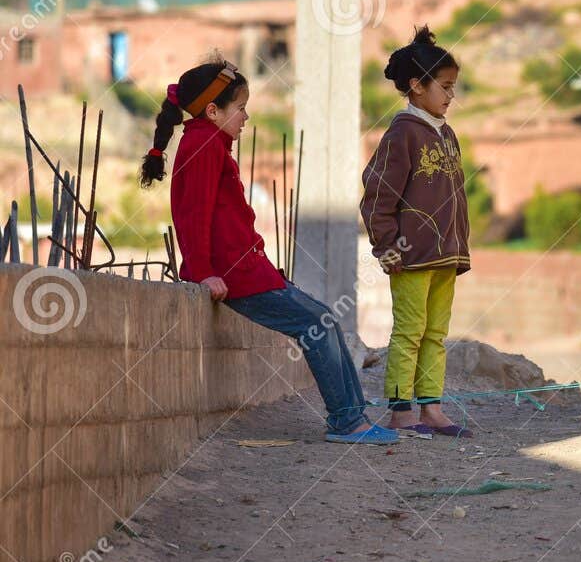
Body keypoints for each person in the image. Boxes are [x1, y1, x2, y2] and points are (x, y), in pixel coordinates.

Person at [142, 57, 396, 445]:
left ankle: (354, 416)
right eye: (240, 108)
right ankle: (347, 421)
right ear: (213, 111)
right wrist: (203, 270)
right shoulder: (203, 144)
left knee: (324, 318)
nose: (246, 117)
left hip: (249, 271)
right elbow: (194, 215)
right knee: (318, 324)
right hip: (233, 276)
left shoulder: (210, 143)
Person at [361, 27, 473, 436]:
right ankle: (400, 412)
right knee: (409, 332)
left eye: (453, 88)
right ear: (416, 85)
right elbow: (377, 194)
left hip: (446, 255)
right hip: (410, 255)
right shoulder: (402, 132)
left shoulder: (446, 133)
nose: (449, 96)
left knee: (436, 334)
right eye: (444, 87)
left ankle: (432, 409)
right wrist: (385, 246)